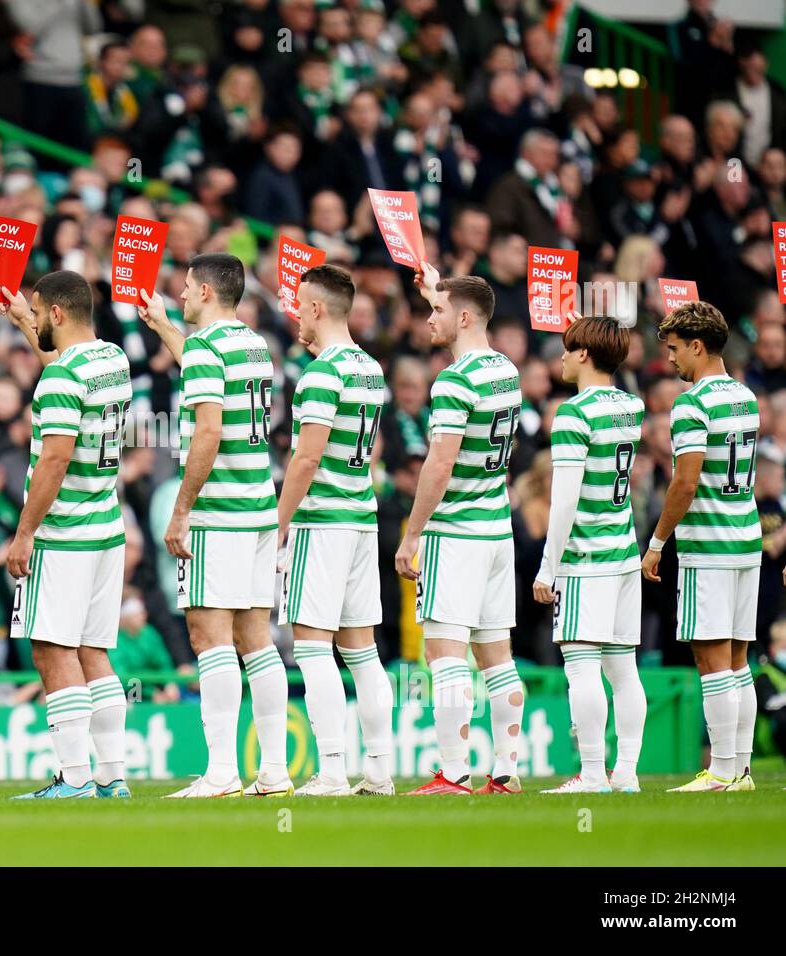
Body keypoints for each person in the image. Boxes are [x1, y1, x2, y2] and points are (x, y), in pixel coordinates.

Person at [138, 253, 289, 798]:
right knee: (257, 638)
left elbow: (206, 431)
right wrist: (162, 327)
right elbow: (203, 368)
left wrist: (180, 510)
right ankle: (274, 770)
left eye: (184, 289)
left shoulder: (206, 349)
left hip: (217, 514)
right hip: (257, 507)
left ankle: (222, 771)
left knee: (209, 636)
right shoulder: (251, 343)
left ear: (204, 290)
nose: (179, 295)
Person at [0, 271, 134, 799]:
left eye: (35, 313)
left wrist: (25, 532)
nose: (32, 320)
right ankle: (112, 775)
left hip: (63, 533)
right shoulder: (113, 360)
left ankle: (74, 777)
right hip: (106, 527)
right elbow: (69, 376)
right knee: (94, 651)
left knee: (53, 651)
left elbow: (55, 456)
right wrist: (24, 329)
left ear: (55, 314)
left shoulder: (60, 378)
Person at [394, 263, 525, 796]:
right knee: (497, 655)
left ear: (465, 317)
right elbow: (460, 307)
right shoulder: (506, 371)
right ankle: (508, 771)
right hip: (497, 530)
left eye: (438, 311)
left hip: (455, 532)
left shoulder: (453, 381)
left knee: (445, 652)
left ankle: (453, 771)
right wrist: (437, 287)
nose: (429, 319)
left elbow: (439, 464)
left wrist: (412, 533)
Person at [276, 265, 394, 796]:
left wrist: (278, 524)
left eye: (301, 305)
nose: (296, 314)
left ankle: (330, 771)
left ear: (318, 309)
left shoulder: (321, 373)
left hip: (321, 521)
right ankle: (379, 770)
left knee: (312, 647)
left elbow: (305, 458)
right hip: (361, 518)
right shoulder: (370, 368)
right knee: (363, 651)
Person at [642, 301, 761, 792]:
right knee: (738, 661)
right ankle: (743, 770)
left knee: (712, 661)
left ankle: (723, 771)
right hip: (746, 539)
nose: (670, 360)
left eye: (674, 349)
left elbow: (685, 483)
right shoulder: (747, 397)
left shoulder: (692, 403)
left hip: (708, 544)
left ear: (697, 346)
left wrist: (656, 542)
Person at [532, 316, 648, 794]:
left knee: (581, 666)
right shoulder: (632, 407)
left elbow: (563, 501)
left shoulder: (575, 414)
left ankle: (594, 774)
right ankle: (627, 774)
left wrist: (547, 566)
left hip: (585, 558)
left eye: (566, 348)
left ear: (583, 354)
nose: (559, 356)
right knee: (624, 670)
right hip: (624, 552)